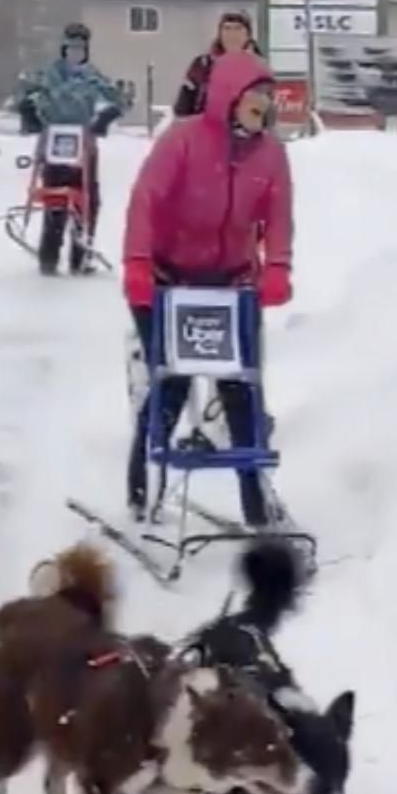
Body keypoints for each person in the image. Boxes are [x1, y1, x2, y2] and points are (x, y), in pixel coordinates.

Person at [122, 51, 294, 527]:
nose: (262, 107)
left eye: (267, 100)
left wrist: (277, 266)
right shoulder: (184, 141)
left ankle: (255, 503)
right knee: (170, 384)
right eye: (255, 98)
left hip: (232, 283)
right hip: (168, 280)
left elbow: (278, 216)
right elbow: (146, 201)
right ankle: (142, 490)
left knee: (242, 392)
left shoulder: (271, 155)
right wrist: (137, 261)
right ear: (229, 99)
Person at [17, 23, 132, 238]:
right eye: (71, 49)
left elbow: (118, 98)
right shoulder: (50, 75)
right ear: (63, 49)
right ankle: (50, 246)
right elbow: (26, 93)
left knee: (87, 193)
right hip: (53, 139)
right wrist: (28, 110)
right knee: (53, 192)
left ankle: (83, 241)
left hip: (84, 139)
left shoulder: (92, 76)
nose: (75, 55)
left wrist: (107, 116)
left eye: (80, 50)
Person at [172, 11, 263, 118]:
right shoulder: (202, 65)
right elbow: (182, 108)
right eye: (227, 28)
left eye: (238, 28)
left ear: (248, 34)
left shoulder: (258, 68)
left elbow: (265, 112)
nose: (232, 34)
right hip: (206, 130)